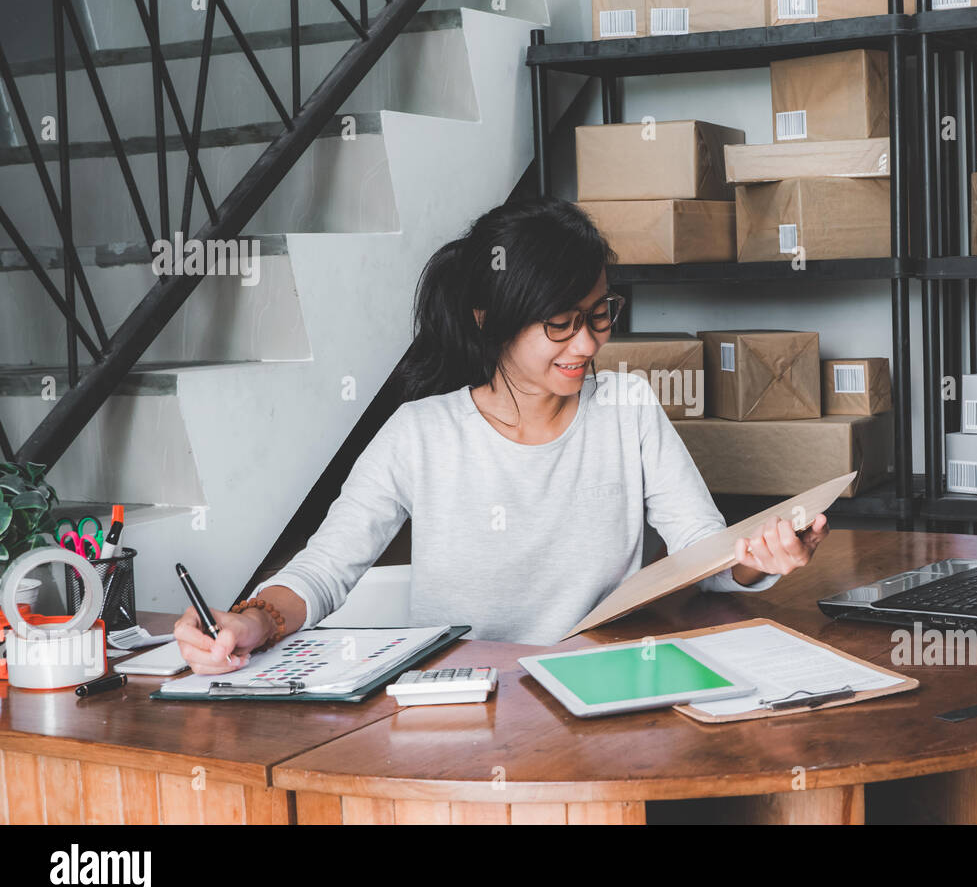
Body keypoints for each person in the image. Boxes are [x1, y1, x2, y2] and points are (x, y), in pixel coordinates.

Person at [175, 197, 829, 674]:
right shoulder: (420, 435)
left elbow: (701, 553)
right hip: (460, 698)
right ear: (491, 320)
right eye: (561, 324)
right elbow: (324, 570)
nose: (590, 341)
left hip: (599, 683)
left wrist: (758, 556)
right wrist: (253, 620)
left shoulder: (627, 408)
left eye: (600, 312)